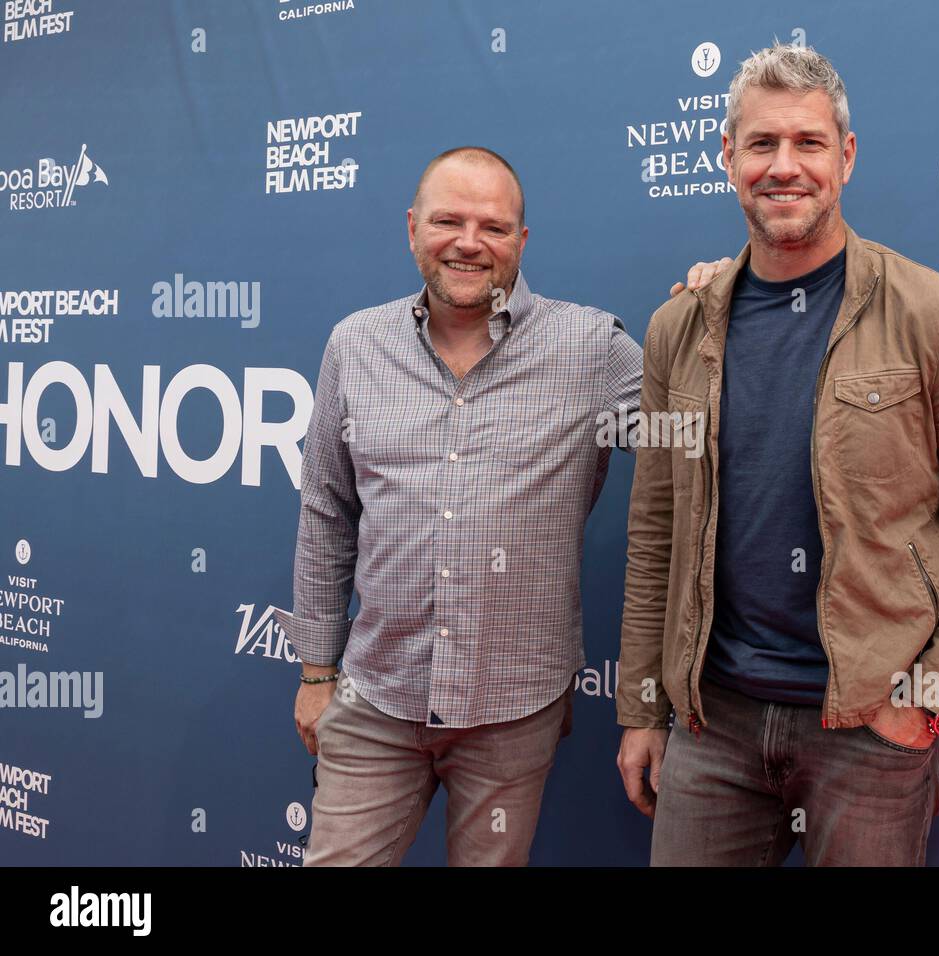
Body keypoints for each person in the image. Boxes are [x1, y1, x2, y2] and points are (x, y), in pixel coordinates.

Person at [615, 43, 939, 866]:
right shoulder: (679, 328)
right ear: (727, 158)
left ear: (845, 156)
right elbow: (656, 532)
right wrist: (642, 706)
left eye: (809, 144)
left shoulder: (937, 315)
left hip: (870, 734)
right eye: (762, 144)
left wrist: (928, 704)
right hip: (713, 725)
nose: (785, 167)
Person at [279, 145, 723, 866]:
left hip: (515, 711)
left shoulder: (589, 348)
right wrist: (316, 673)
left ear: (521, 242)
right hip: (374, 699)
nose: (468, 242)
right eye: (448, 221)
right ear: (413, 228)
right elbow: (327, 512)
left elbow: (696, 440)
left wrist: (709, 322)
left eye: (492, 227)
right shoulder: (354, 345)